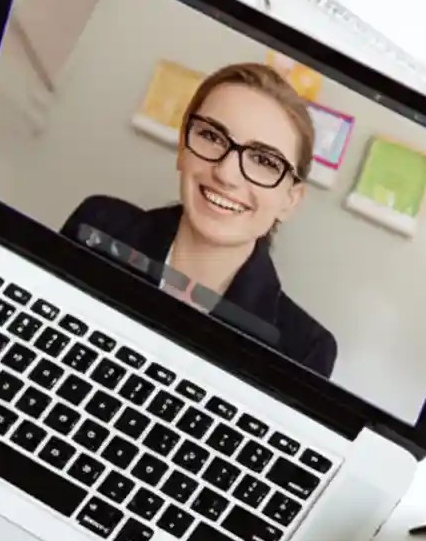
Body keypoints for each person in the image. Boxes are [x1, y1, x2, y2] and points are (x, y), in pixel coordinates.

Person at [61, 62, 338, 378]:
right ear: (182, 147)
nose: (225, 173)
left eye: (264, 160)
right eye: (212, 136)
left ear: (290, 200)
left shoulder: (304, 348)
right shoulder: (99, 224)